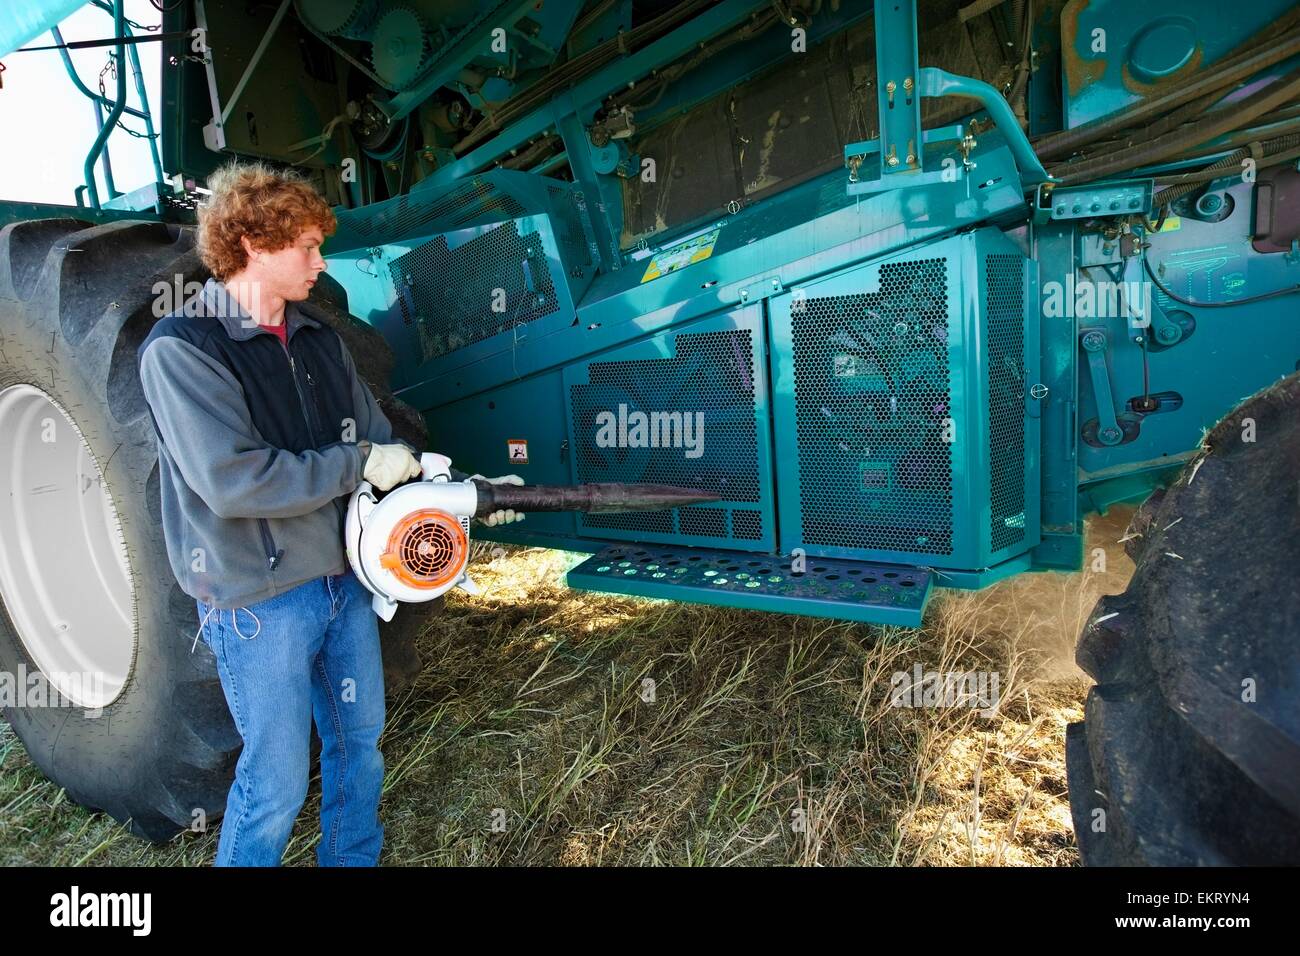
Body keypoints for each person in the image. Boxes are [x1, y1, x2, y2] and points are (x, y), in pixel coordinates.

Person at [137, 160, 521, 866]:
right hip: (260, 602)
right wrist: (354, 466)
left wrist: (457, 492)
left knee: (358, 749)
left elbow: (382, 445)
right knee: (275, 782)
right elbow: (234, 482)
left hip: (344, 580)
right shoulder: (183, 350)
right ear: (251, 241)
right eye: (306, 247)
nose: (320, 261)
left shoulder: (317, 340)